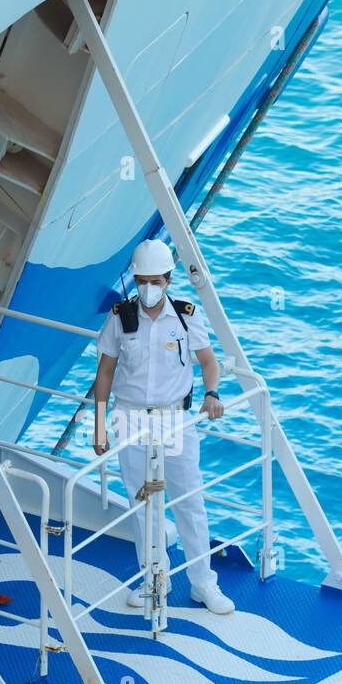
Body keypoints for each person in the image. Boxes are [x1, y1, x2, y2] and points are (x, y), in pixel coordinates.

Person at [92, 238, 234, 615]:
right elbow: (104, 372)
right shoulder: (121, 316)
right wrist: (100, 426)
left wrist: (212, 394)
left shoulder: (186, 316)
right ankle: (155, 579)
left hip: (175, 419)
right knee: (144, 502)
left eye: (155, 280)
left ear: (169, 280)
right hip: (130, 419)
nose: (148, 287)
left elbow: (208, 363)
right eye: (142, 280)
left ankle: (204, 584)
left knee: (189, 501)